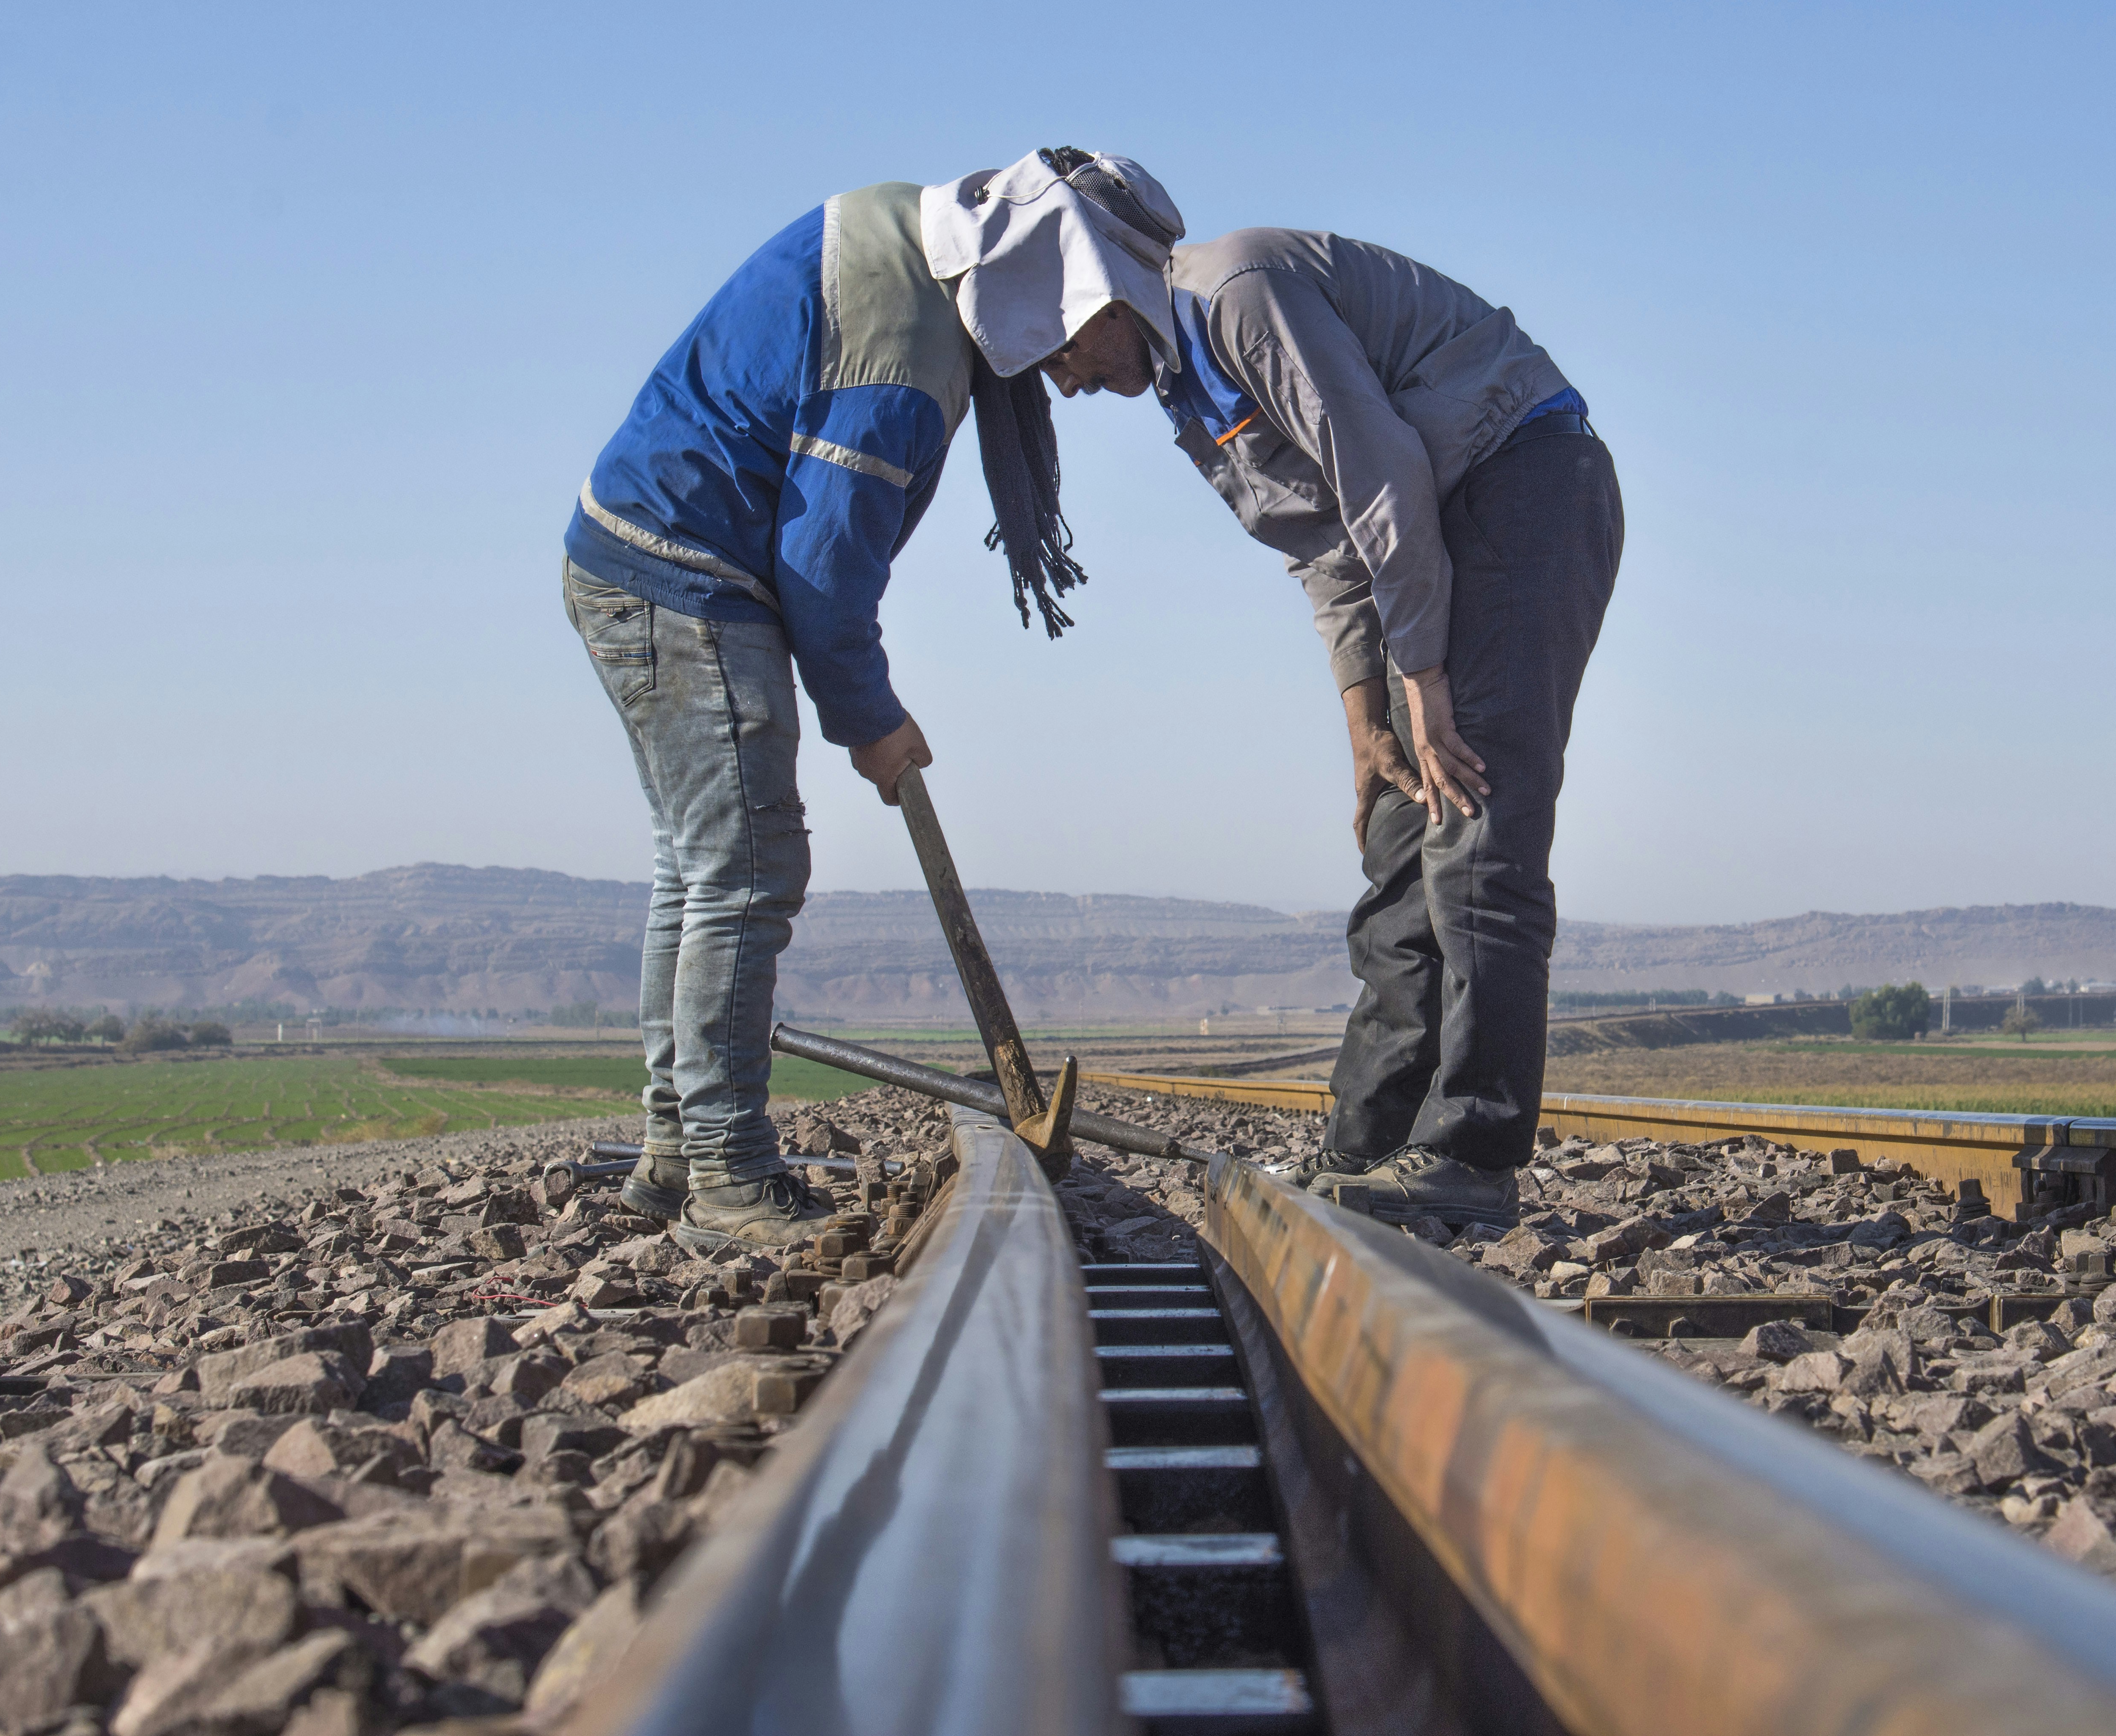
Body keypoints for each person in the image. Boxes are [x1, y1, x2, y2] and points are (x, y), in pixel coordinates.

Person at [563, 148, 1182, 1256]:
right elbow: (823, 576)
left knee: (698, 867)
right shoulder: (903, 357)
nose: (1090, 382)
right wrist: (874, 722)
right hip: (681, 564)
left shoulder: (917, 241)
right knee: (747, 865)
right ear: (1071, 293)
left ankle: (674, 1153)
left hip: (641, 551)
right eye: (1118, 347)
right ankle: (726, 1173)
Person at [1044, 227, 1623, 1227]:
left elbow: (1383, 475)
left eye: (1061, 351)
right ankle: (1371, 1143)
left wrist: (1428, 682)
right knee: (1402, 836)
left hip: (1521, 481)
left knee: (1474, 826)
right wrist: (1369, 725)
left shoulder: (1234, 297)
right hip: (1431, 542)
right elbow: (1327, 548)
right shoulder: (1189, 389)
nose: (1066, 384)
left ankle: (1473, 1156)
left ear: (1098, 295)